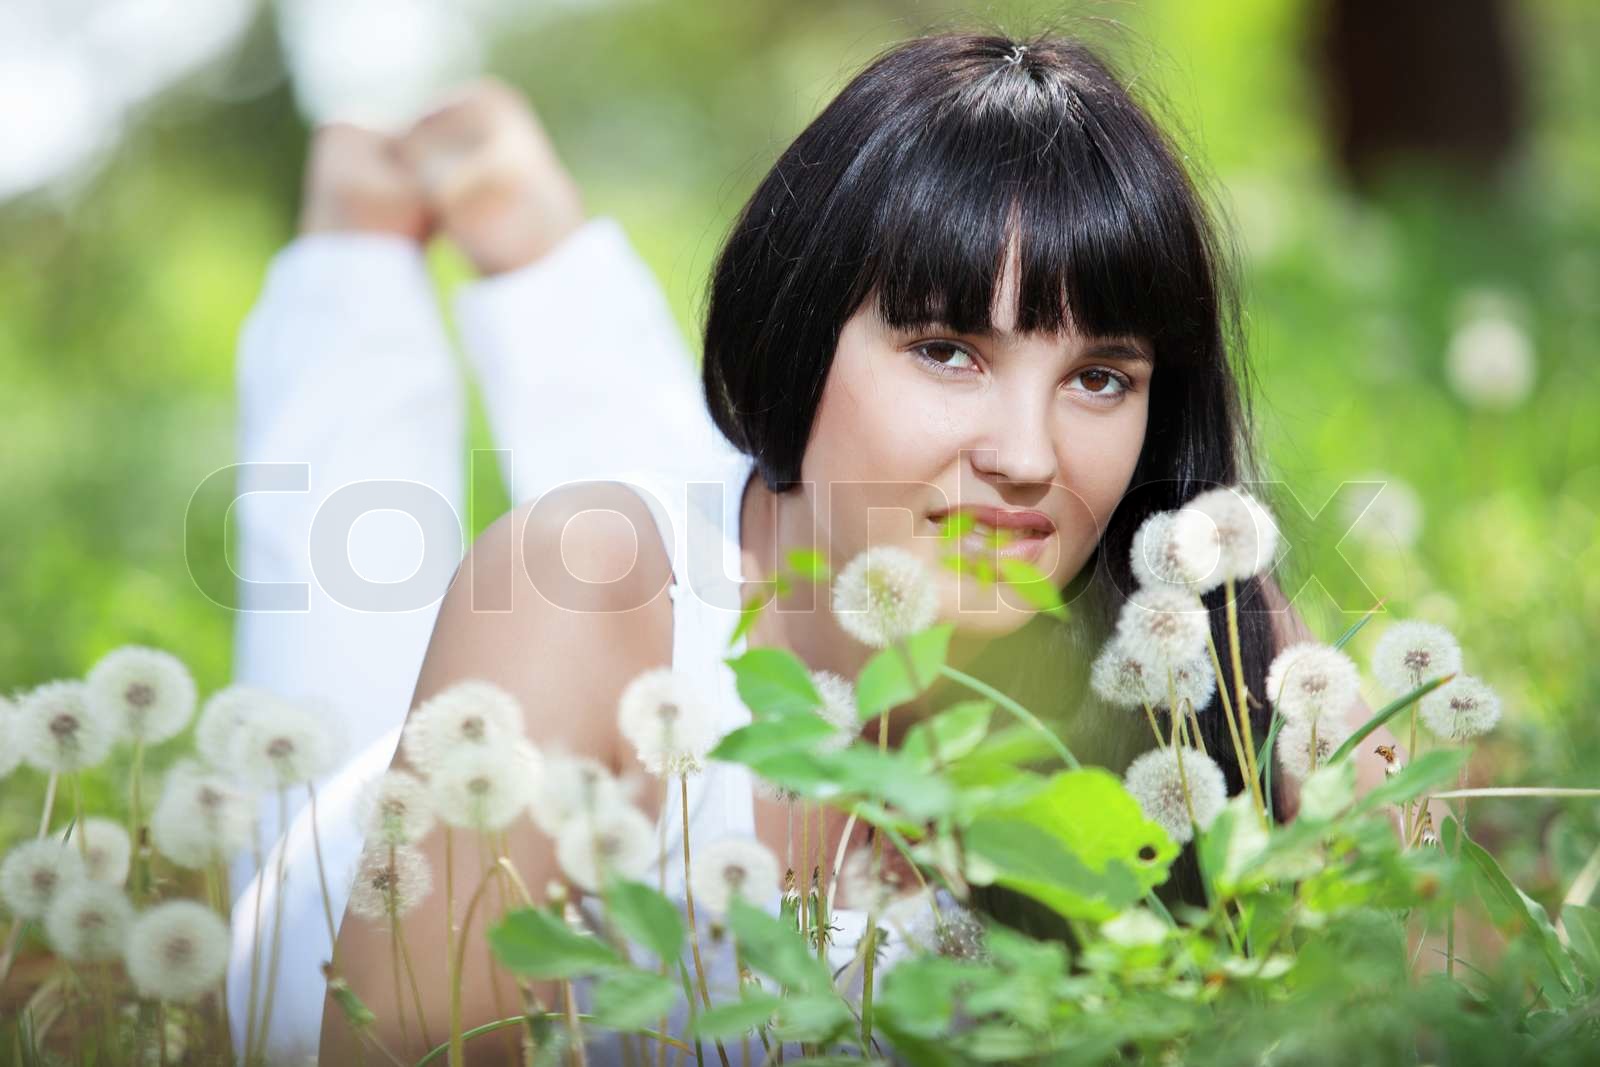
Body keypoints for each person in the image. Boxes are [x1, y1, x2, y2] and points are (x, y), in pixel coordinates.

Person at [226, 32, 1410, 1065]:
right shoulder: (572, 597)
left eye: (1100, 376)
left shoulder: (1192, 664)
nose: (1028, 452)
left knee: (787, 498)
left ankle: (533, 235)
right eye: (948, 346)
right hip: (371, 835)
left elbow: (1426, 972)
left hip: (802, 534)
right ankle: (362, 232)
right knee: (351, 529)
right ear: (795, 328)